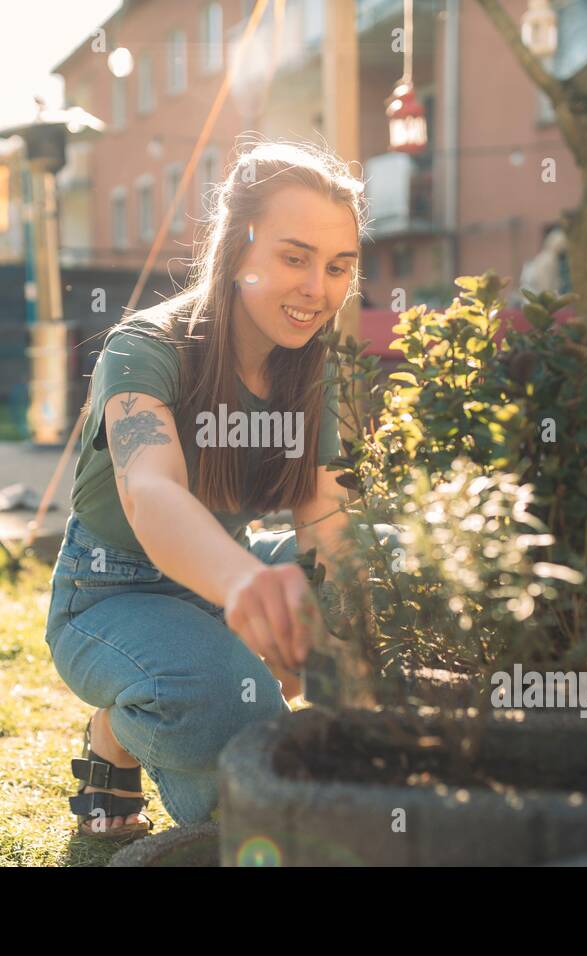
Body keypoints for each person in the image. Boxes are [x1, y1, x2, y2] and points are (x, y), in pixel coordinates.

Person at [44, 140, 369, 838]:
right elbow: (150, 493)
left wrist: (355, 626)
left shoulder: (314, 369)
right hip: (111, 594)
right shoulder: (144, 349)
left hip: (230, 572)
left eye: (338, 266)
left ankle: (197, 675)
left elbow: (330, 519)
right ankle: (121, 731)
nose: (318, 287)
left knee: (397, 567)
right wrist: (246, 588)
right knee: (229, 705)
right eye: (295, 257)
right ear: (238, 246)